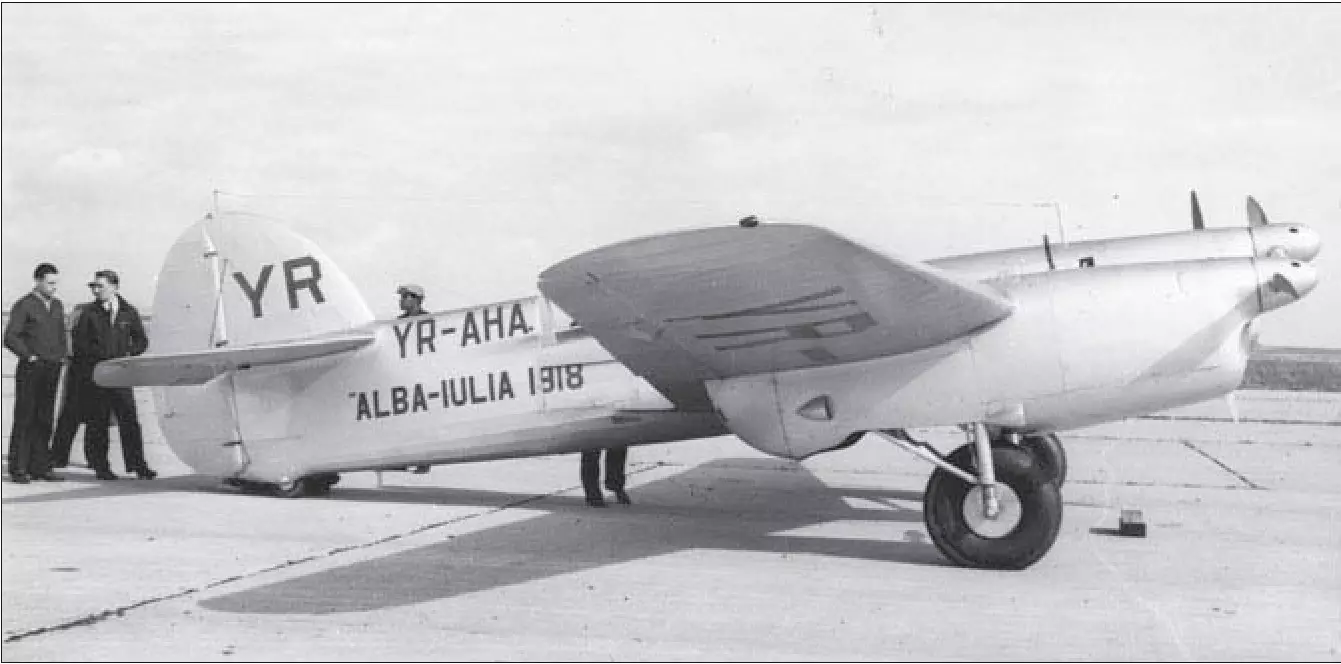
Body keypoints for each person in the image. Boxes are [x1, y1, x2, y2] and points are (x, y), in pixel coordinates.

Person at [74, 269, 155, 481]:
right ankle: (100, 465)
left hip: (121, 376)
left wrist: (129, 353)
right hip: (99, 375)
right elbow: (79, 343)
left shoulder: (128, 312)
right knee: (97, 422)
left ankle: (138, 464)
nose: (95, 290)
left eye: (100, 286)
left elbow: (141, 340)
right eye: (94, 286)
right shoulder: (89, 313)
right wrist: (98, 359)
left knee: (129, 420)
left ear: (114, 287)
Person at [4, 263, 69, 483]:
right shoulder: (24, 305)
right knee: (25, 417)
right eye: (50, 283)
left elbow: (61, 334)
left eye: (55, 283)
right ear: (38, 281)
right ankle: (19, 468)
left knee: (45, 417)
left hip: (52, 368)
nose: (54, 288)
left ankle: (40, 466)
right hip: (32, 368)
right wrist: (29, 356)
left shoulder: (58, 305)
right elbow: (10, 336)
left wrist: (62, 355)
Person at [49, 302, 97, 468]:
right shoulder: (80, 313)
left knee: (92, 416)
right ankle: (60, 456)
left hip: (91, 367)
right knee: (71, 414)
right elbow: (68, 341)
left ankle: (91, 457)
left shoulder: (83, 315)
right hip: (78, 368)